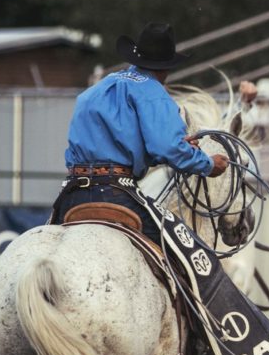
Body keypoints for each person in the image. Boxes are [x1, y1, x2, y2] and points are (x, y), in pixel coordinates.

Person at [52, 22, 228, 243]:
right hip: (116, 192)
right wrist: (208, 164)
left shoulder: (100, 87)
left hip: (72, 192)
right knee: (184, 245)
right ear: (166, 67)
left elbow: (123, 143)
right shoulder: (153, 93)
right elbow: (168, 147)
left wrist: (170, 152)